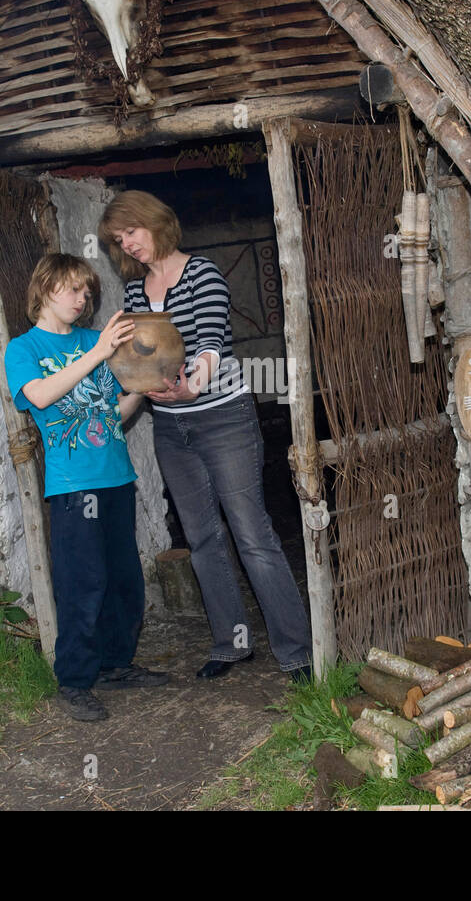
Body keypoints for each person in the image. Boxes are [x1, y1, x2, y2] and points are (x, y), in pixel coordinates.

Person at [99, 191, 313, 682]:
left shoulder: (203, 273)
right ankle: (232, 643)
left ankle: (297, 652)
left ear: (154, 221)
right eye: (118, 239)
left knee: (251, 533)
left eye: (131, 231)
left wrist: (193, 385)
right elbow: (143, 358)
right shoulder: (135, 292)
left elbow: (213, 338)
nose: (128, 243)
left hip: (223, 417)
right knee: (201, 538)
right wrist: (140, 391)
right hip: (171, 427)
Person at [4, 252, 169, 722]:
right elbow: (38, 396)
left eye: (87, 292)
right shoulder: (25, 349)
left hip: (117, 477)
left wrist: (144, 388)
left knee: (124, 581)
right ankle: (74, 681)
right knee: (83, 584)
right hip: (75, 486)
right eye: (74, 289)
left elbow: (109, 414)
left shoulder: (91, 342)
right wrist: (98, 352)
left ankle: (116, 665)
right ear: (46, 289)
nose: (83, 299)